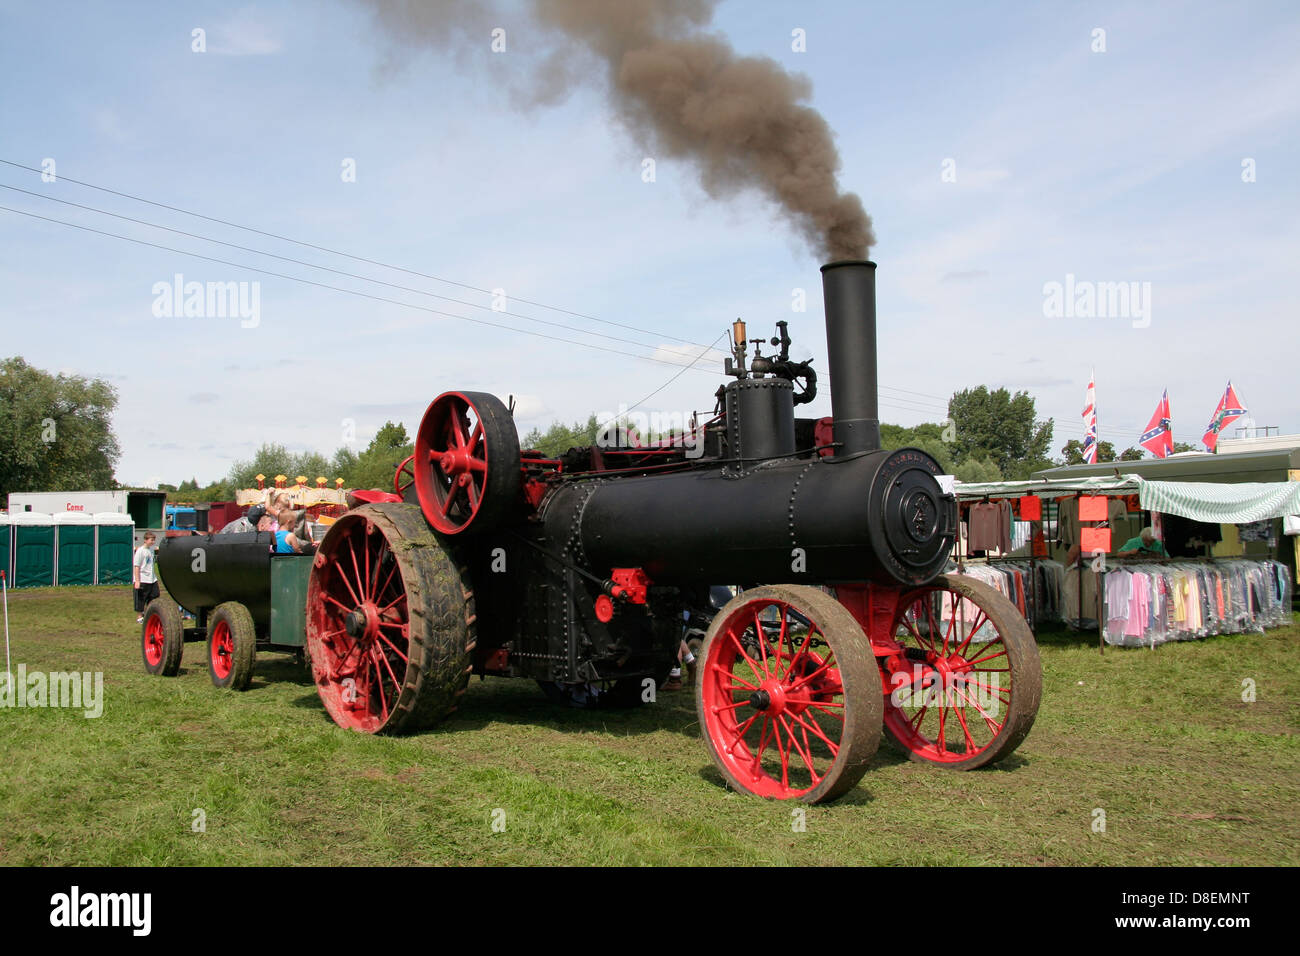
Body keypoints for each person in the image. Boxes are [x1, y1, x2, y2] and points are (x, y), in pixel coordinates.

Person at [133, 532, 160, 623]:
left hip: (152, 579)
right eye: (151, 540)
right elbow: (136, 566)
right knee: (141, 599)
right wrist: (137, 581)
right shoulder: (140, 551)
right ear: (145, 540)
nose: (153, 542)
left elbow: (157, 548)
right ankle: (139, 617)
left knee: (155, 596)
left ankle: (149, 614)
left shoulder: (151, 549)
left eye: (154, 540)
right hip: (143, 579)